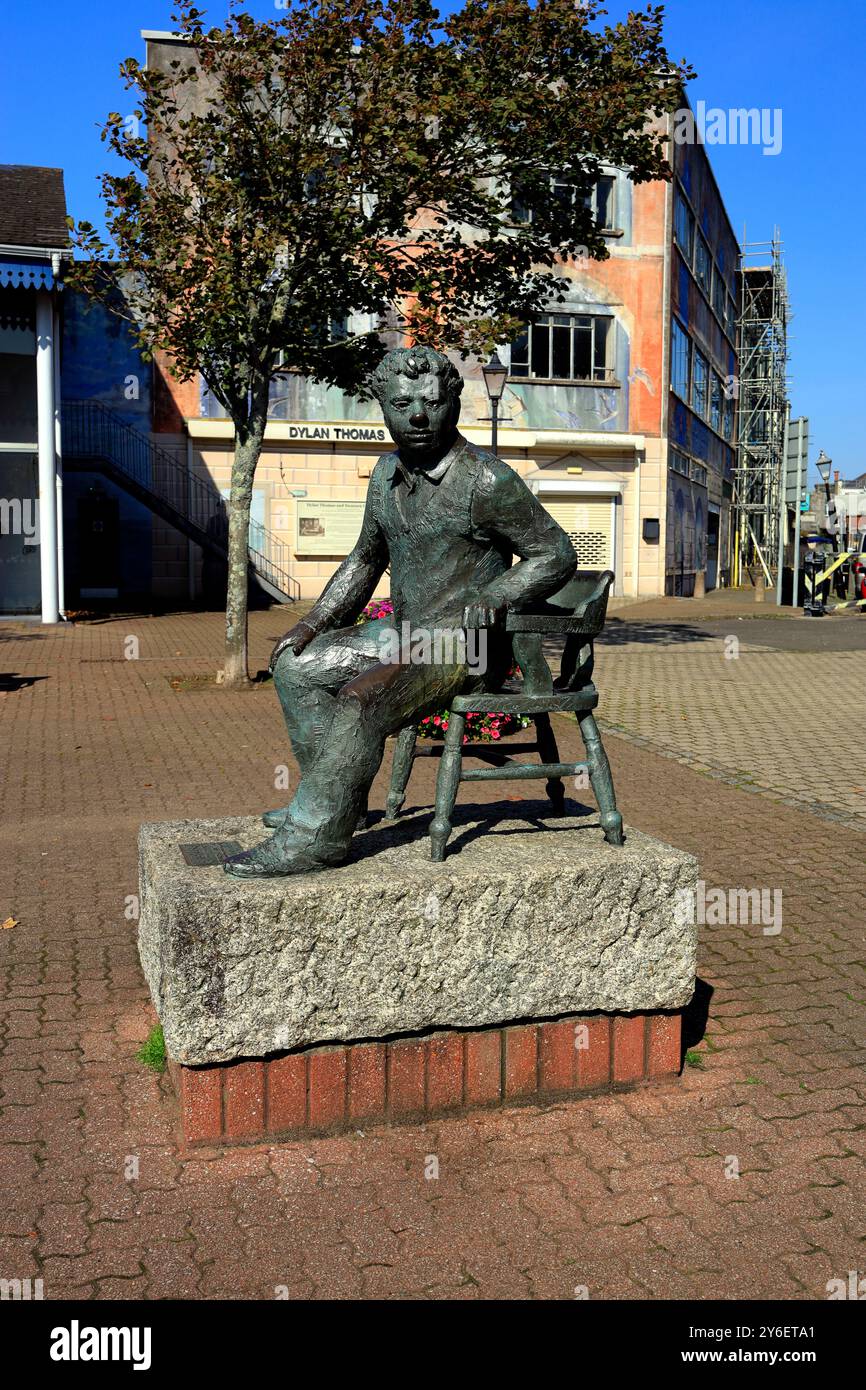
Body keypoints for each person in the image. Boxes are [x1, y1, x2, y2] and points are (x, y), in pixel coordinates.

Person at [225, 345, 576, 877]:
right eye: (401, 403)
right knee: (296, 663)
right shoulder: (385, 475)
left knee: (362, 699)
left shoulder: (487, 480)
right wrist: (314, 622)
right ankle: (330, 805)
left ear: (453, 404)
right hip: (406, 634)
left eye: (432, 403)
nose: (416, 415)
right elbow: (365, 559)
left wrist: (491, 598)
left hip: (467, 645)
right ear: (382, 406)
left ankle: (317, 839)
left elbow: (555, 553)